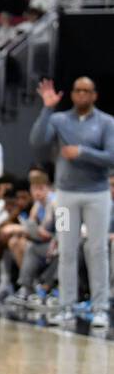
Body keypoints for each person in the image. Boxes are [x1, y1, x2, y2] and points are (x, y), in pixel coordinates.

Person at [30, 78, 113, 327]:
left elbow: (112, 157)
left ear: (95, 95)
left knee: (97, 250)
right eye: (78, 90)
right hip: (66, 196)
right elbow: (37, 141)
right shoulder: (59, 120)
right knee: (66, 249)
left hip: (96, 196)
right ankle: (66, 306)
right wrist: (47, 108)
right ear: (73, 94)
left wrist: (82, 152)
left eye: (87, 91)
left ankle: (100, 308)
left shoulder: (107, 123)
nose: (82, 95)